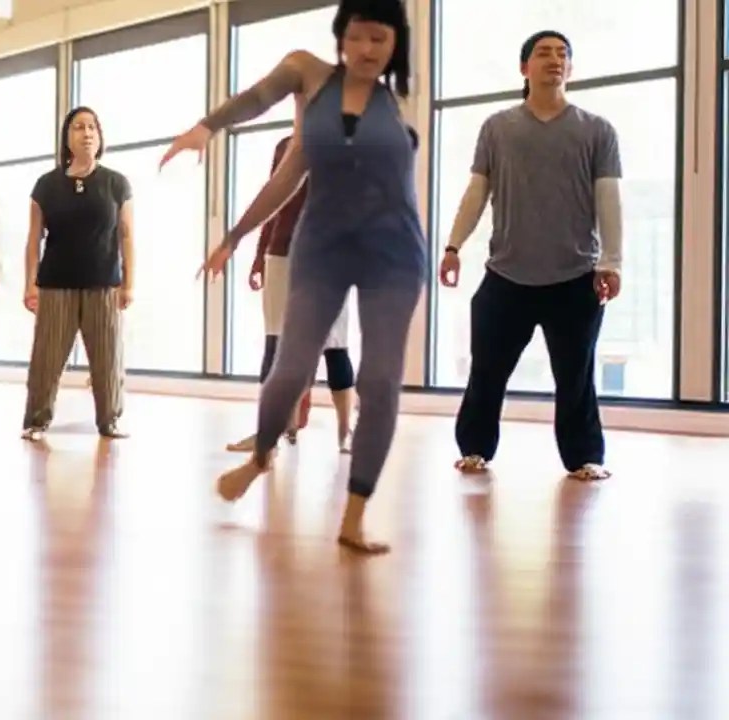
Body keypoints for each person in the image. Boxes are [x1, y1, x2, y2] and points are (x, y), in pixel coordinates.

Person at [161, 0, 424, 555]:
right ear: (341, 37)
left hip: (392, 252)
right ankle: (260, 456)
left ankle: (353, 518)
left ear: (393, 45)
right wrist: (209, 134)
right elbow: (266, 119)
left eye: (381, 39)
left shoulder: (392, 107)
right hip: (323, 246)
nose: (369, 49)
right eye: (359, 36)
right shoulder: (307, 72)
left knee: (380, 383)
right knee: (290, 367)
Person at [439, 30, 621, 482]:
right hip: (506, 278)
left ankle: (584, 458)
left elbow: (609, 199)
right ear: (525, 68)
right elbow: (476, 192)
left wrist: (612, 262)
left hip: (575, 277)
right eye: (544, 53)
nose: (554, 60)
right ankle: (474, 449)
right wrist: (453, 246)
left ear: (571, 69)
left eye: (563, 54)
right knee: (487, 372)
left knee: (576, 380)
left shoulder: (597, 130)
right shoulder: (497, 128)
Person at [227, 136, 356, 454]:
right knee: (276, 346)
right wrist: (260, 253)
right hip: (280, 255)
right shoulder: (284, 146)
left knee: (334, 346)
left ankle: (346, 433)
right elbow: (274, 201)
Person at [21, 106, 134, 441]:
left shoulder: (116, 183)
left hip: (104, 284)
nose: (86, 133)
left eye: (92, 128)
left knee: (107, 357)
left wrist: (129, 283)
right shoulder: (46, 185)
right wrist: (30, 284)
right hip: (56, 284)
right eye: (78, 127)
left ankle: (109, 420)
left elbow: (127, 235)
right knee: (47, 356)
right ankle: (36, 420)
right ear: (66, 137)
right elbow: (33, 239)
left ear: (100, 137)